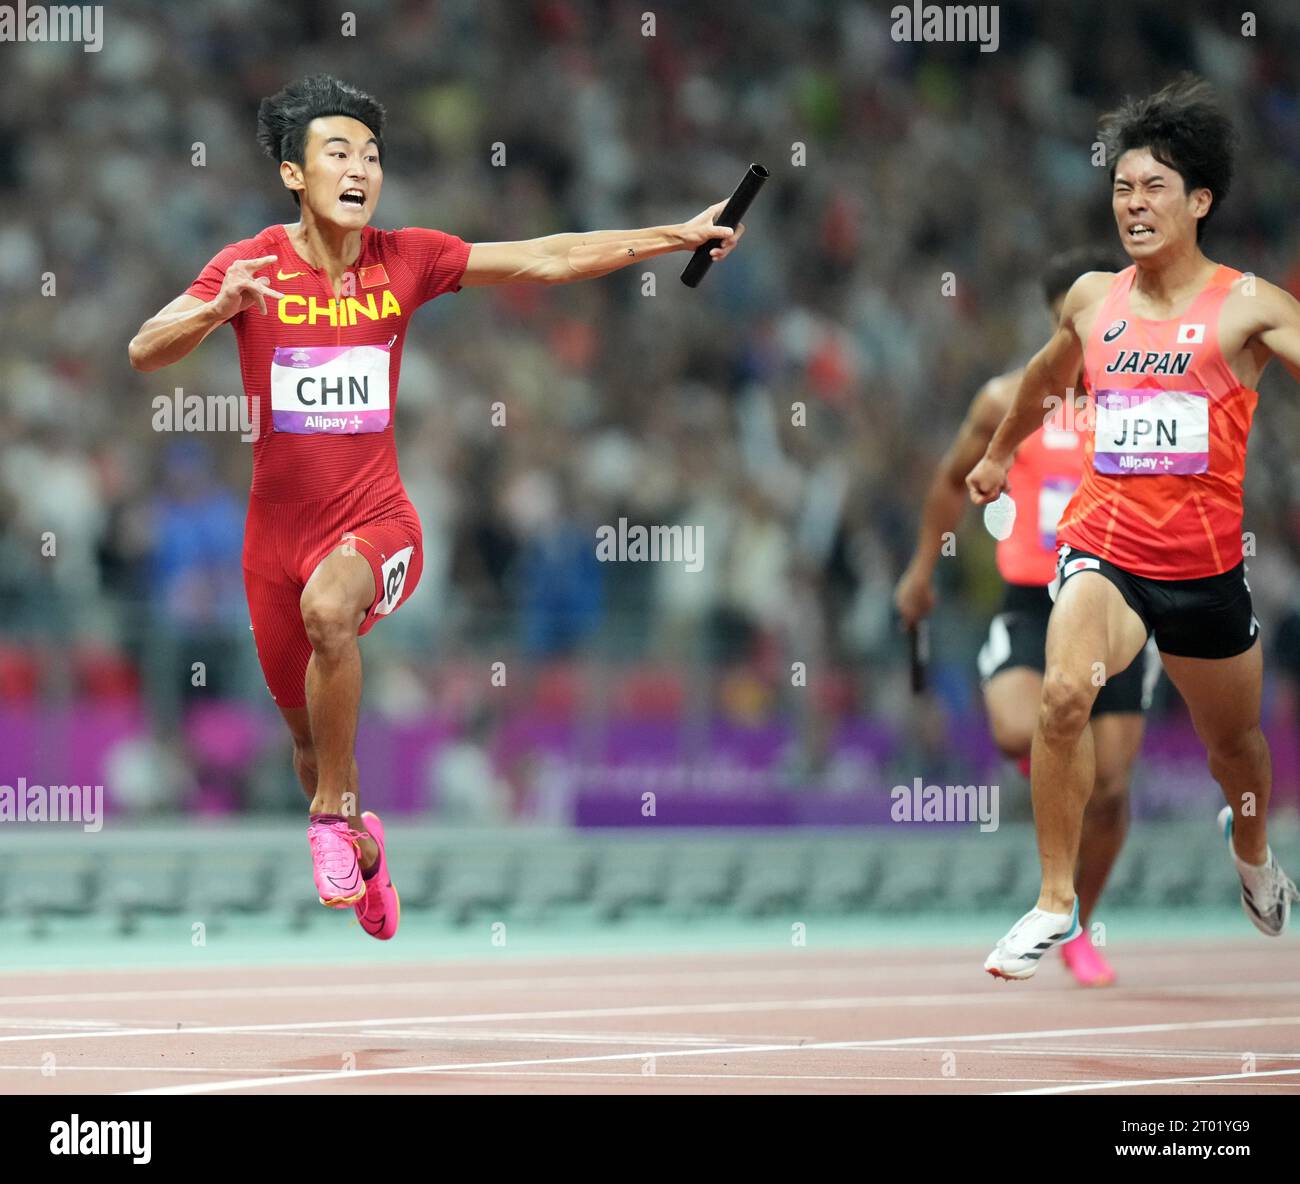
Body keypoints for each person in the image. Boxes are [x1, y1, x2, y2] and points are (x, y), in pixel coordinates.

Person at [127, 74, 746, 938]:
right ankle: (365, 849)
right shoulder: (250, 263)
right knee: (308, 749)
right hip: (271, 545)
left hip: (377, 524)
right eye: (337, 153)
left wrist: (674, 233)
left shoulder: (407, 258)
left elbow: (548, 255)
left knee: (331, 609)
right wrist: (214, 308)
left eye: (372, 156)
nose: (360, 169)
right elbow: (143, 350)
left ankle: (331, 821)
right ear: (293, 175)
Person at [967, 73, 1300, 979]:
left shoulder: (1249, 307)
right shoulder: (1090, 299)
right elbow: (1041, 381)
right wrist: (999, 457)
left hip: (1204, 573)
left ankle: (1253, 854)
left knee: (1233, 747)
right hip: (1104, 550)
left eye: (1154, 188)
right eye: (1121, 188)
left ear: (1200, 200)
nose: (1134, 204)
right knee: (1062, 695)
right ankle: (1051, 902)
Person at [896, 246, 1154, 986]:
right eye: (1062, 324)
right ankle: (1050, 772)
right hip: (1031, 600)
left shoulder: (1141, 406)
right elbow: (951, 478)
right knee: (1019, 725)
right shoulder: (1005, 399)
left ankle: (1077, 924)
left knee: (1109, 788)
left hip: (1118, 602)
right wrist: (921, 569)